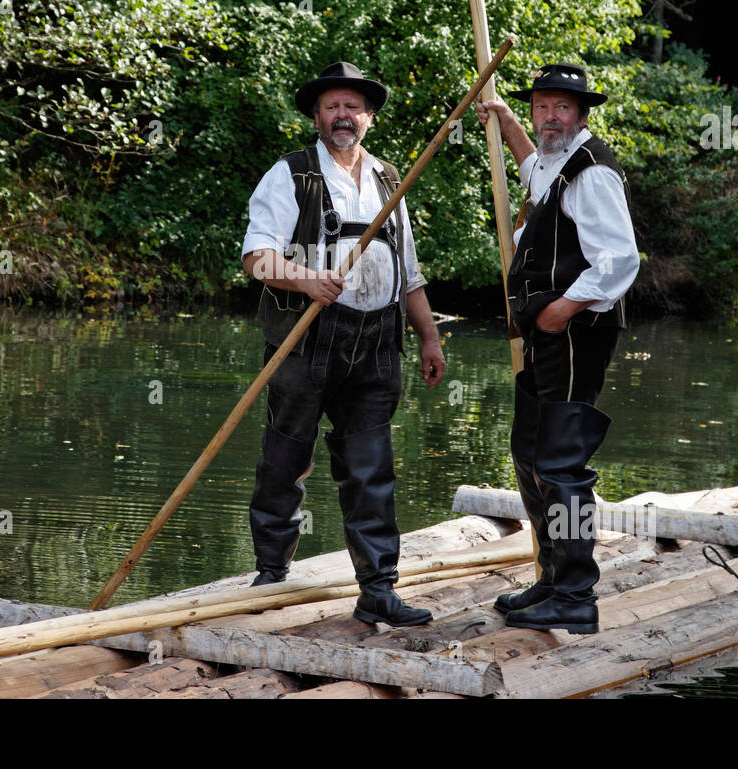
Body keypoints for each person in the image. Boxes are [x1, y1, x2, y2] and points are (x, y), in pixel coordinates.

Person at [241, 61, 447, 628]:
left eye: (353, 107)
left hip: (378, 345)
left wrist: (428, 337)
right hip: (305, 342)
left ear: (369, 117)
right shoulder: (290, 175)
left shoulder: (389, 180)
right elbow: (257, 256)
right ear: (317, 115)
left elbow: (408, 273)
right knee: (286, 456)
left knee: (371, 466)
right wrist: (306, 278)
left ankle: (378, 587)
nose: (343, 116)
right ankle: (270, 574)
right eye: (332, 107)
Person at [474, 62, 638, 634]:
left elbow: (620, 259)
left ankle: (575, 595)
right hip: (548, 334)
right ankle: (550, 576)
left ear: (581, 114)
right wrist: (507, 120)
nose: (550, 116)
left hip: (574, 333)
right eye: (542, 106)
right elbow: (533, 172)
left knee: (562, 464)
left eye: (561, 107)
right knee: (529, 452)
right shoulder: (555, 162)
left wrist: (560, 309)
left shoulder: (592, 171)